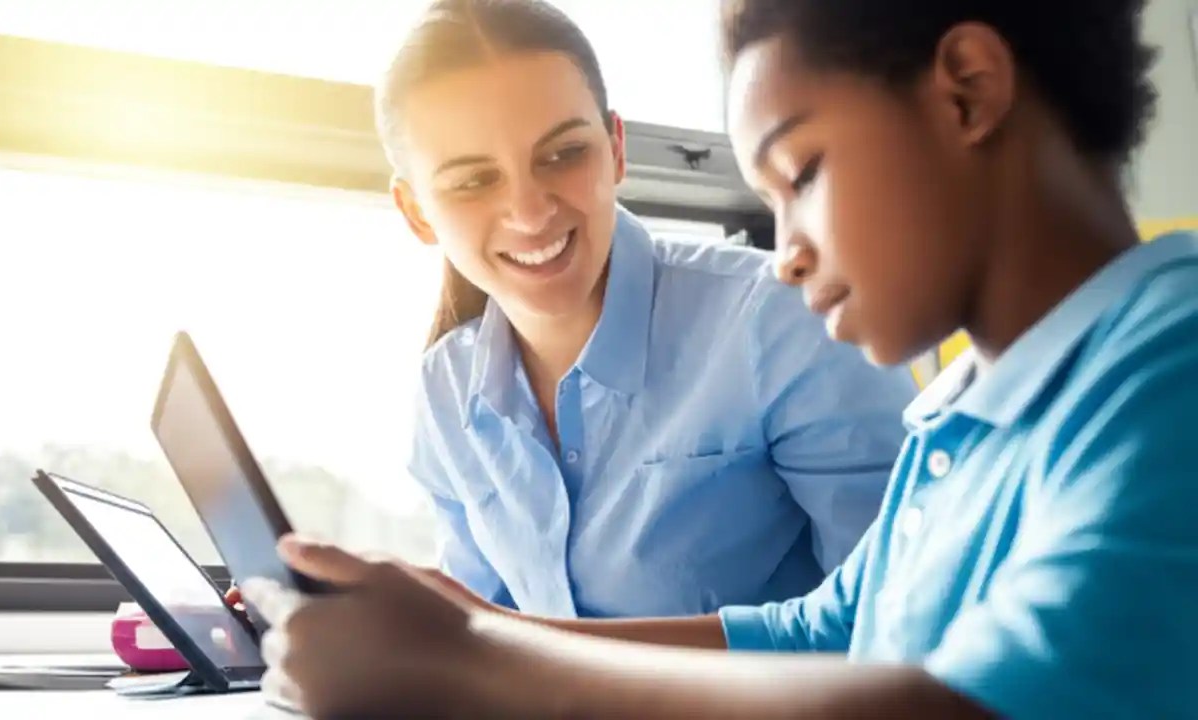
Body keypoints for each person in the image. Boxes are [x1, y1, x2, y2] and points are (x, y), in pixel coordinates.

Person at [244, 0, 1198, 717]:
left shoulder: (1175, 361)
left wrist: (469, 664)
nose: (784, 253)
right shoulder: (962, 413)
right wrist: (466, 628)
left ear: (968, 92)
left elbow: (954, 707)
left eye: (802, 172)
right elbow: (825, 631)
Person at [385, 0, 914, 618]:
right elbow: (480, 637)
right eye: (474, 181)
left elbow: (903, 619)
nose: (530, 214)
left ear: (615, 149)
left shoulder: (783, 321)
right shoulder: (445, 390)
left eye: (563, 154)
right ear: (417, 212)